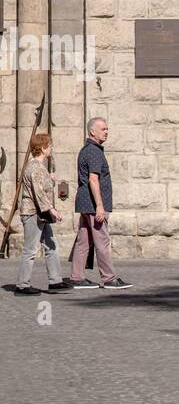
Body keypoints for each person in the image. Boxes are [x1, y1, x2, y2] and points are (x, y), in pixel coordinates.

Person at [70, 117, 131, 290]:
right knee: (102, 240)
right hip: (92, 204)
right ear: (92, 132)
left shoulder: (86, 150)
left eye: (107, 129)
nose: (106, 132)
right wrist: (100, 206)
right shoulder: (94, 151)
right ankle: (109, 278)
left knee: (83, 240)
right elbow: (93, 180)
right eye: (103, 129)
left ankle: (77, 277)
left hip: (84, 203)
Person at [15, 133, 70, 295]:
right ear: (43, 148)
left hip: (40, 212)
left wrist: (51, 180)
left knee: (51, 246)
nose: (51, 148)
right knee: (30, 249)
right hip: (33, 212)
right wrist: (51, 209)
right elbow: (38, 192)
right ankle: (22, 285)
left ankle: (55, 281)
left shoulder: (39, 167)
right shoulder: (35, 167)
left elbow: (41, 187)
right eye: (49, 145)